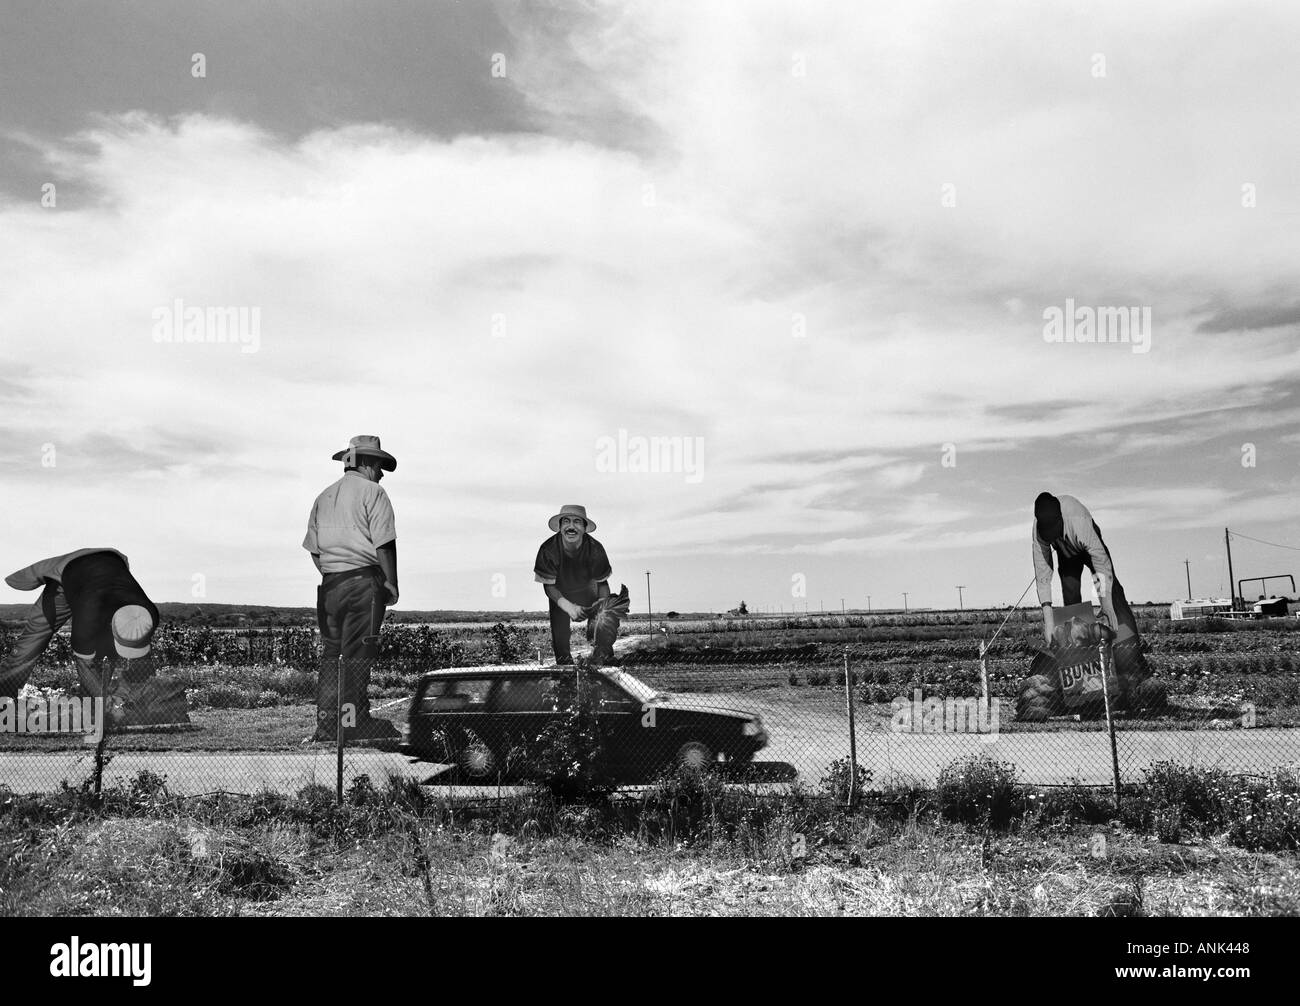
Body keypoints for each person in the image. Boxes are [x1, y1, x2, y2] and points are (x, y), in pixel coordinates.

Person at [303, 435, 401, 742]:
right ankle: (355, 723)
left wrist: (334, 573)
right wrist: (391, 582)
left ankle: (327, 725)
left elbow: (314, 551)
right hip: (364, 583)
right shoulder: (374, 492)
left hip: (331, 585)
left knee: (332, 657)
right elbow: (384, 543)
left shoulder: (323, 496)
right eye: (380, 466)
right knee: (359, 654)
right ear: (368, 463)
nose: (382, 473)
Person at [0, 548, 158, 703]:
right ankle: (2, 697)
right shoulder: (88, 617)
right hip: (67, 577)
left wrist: (136, 692)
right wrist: (107, 703)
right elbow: (85, 665)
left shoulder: (149, 615)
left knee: (107, 650)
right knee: (32, 641)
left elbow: (144, 662)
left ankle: (90, 707)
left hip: (105, 576)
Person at [1032, 492, 1139, 646]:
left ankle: (1129, 649)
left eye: (1053, 533)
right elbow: (1043, 575)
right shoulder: (1038, 531)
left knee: (1111, 595)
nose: (1051, 538)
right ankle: (1080, 649)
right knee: (1071, 595)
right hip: (1067, 553)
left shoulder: (1079, 521)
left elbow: (1100, 562)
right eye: (1048, 536)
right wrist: (1049, 623)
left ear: (1060, 520)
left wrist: (1105, 601)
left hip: (1090, 550)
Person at [534, 504, 612, 665]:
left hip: (589, 591)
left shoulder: (596, 549)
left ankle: (603, 662)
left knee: (603, 622)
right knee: (560, 635)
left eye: (577, 521)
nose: (571, 526)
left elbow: (602, 584)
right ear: (560, 527)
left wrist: (602, 604)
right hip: (560, 594)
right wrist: (569, 607)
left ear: (584, 528)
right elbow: (549, 586)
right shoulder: (547, 550)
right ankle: (565, 674)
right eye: (566, 522)